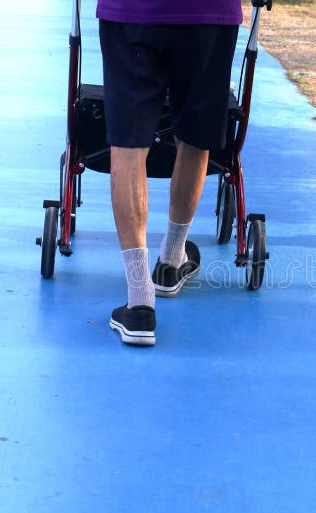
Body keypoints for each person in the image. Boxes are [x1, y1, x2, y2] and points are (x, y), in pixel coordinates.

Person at [97, 0, 243, 346]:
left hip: (132, 13)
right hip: (208, 14)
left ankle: (139, 302)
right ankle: (172, 260)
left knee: (128, 146)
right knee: (194, 136)